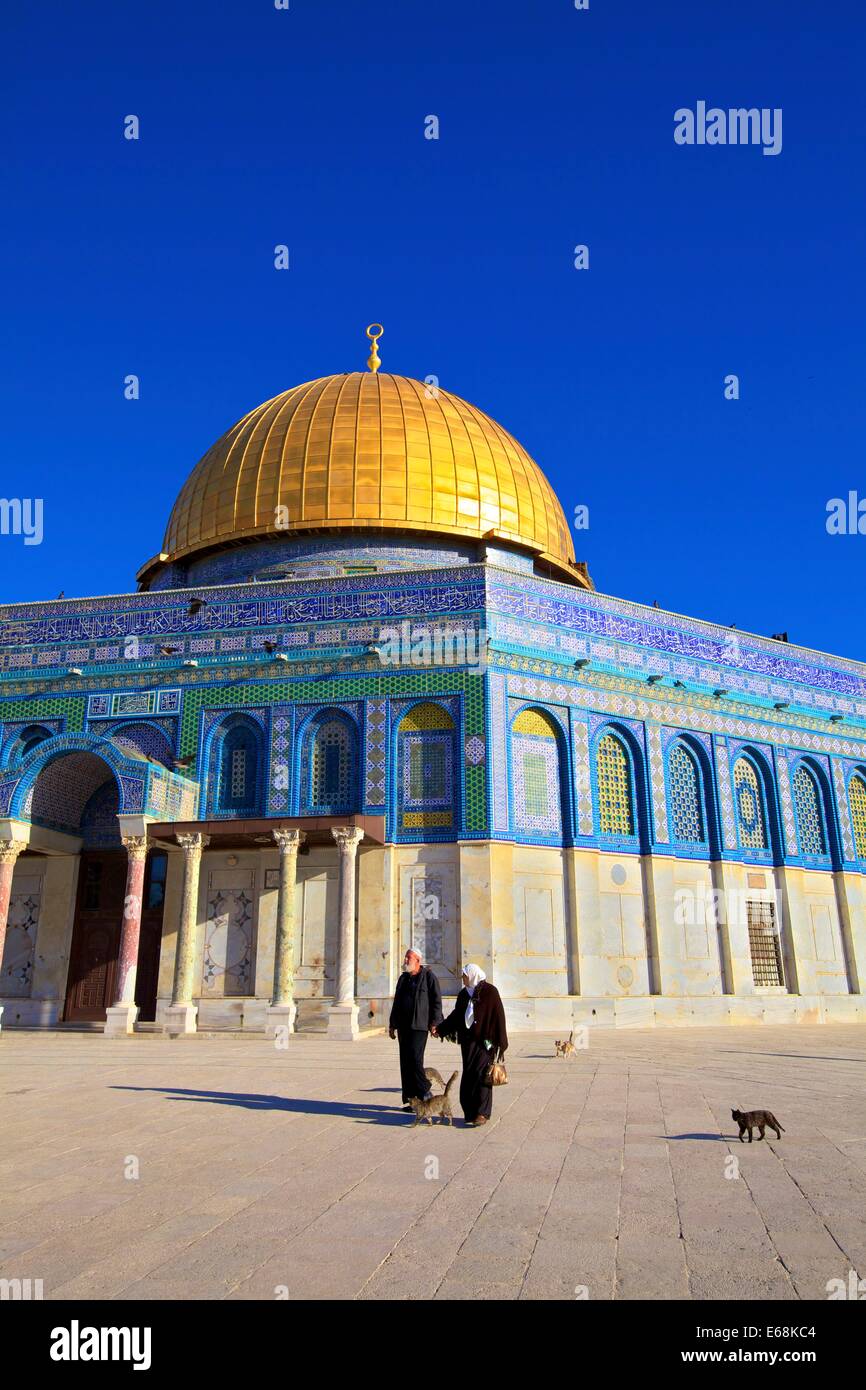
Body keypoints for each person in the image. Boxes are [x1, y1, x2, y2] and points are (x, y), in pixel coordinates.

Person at [432, 964, 507, 1127]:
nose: (463, 978)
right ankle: (470, 1112)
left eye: (465, 975)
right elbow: (456, 1017)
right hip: (468, 1043)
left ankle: (482, 1113)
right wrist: (440, 1029)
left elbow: (498, 1015)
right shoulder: (464, 995)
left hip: (485, 1043)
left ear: (473, 975)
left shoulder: (490, 992)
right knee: (469, 1074)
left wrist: (500, 1040)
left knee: (482, 1075)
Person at [389, 948, 443, 1109]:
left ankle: (425, 1091)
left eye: (408, 958)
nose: (405, 960)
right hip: (403, 1027)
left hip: (419, 1026)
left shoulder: (428, 977)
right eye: (405, 957)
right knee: (405, 1063)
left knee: (415, 1060)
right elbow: (397, 1003)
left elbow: (436, 1002)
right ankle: (413, 1102)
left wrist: (435, 1023)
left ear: (417, 961)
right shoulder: (403, 979)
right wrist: (392, 1024)